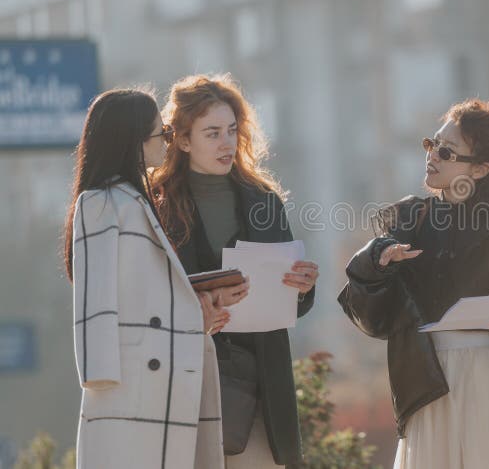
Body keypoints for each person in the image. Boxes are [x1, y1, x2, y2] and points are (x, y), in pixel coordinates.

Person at [338, 99, 489, 468]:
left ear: (482, 168)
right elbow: (374, 320)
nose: (432, 156)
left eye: (447, 151)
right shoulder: (409, 221)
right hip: (426, 384)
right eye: (432, 144)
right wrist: (377, 264)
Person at [65, 88, 243, 469]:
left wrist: (200, 313)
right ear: (132, 139)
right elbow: (93, 298)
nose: (166, 141)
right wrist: (101, 380)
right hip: (130, 388)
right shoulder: (100, 202)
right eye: (159, 133)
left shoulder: (136, 200)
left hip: (163, 376)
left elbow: (148, 294)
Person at [153, 74, 318, 468]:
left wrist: (302, 286)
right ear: (183, 139)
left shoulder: (264, 200)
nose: (226, 142)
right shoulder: (155, 204)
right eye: (212, 133)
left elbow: (295, 304)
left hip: (258, 384)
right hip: (185, 381)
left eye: (231, 130)